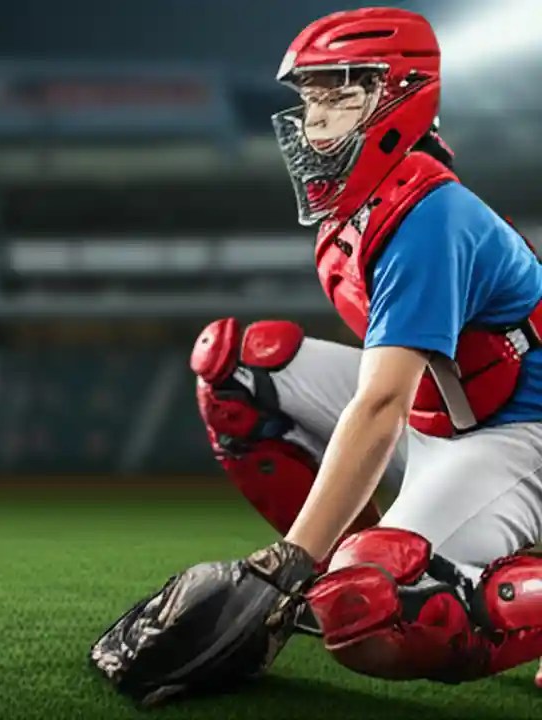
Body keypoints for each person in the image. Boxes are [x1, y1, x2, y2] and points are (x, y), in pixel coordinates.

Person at [192, 6, 542, 684]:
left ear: (399, 98)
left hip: (517, 435)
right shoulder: (368, 206)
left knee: (371, 615)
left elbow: (381, 404)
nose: (316, 119)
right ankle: (345, 567)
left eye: (341, 94)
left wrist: (285, 562)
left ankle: (363, 575)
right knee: (235, 366)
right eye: (311, 97)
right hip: (443, 412)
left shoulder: (428, 216)